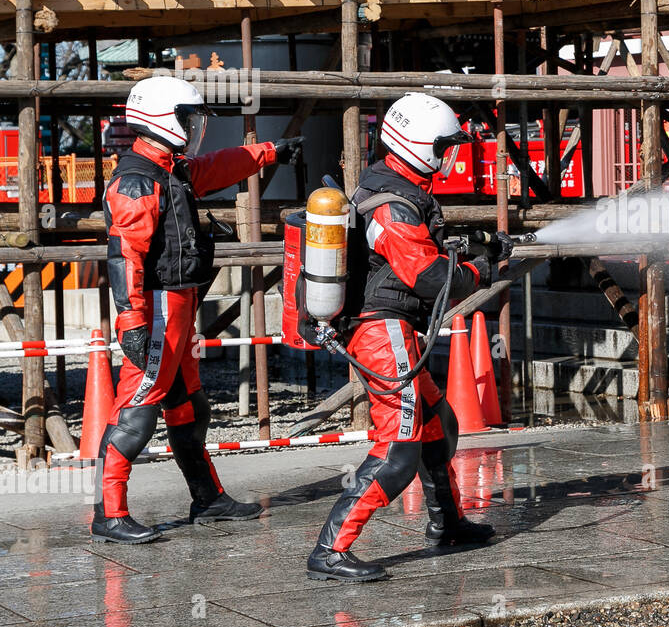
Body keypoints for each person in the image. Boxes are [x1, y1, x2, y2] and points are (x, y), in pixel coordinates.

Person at [93, 75, 304, 544]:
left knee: (189, 406)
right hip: (158, 307)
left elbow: (215, 167)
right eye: (187, 118)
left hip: (181, 304)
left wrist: (270, 151)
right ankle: (109, 512)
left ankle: (207, 499)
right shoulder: (137, 179)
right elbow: (123, 257)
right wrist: (132, 322)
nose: (192, 127)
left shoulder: (170, 169)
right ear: (162, 119)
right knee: (137, 409)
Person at [308, 93, 506, 583]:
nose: (448, 155)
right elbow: (431, 278)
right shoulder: (394, 203)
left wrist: (477, 255)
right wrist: (483, 269)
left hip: (392, 325)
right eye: (443, 146)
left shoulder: (399, 185)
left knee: (438, 423)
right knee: (398, 448)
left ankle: (448, 522)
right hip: (381, 329)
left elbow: (423, 258)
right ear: (419, 145)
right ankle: (330, 549)